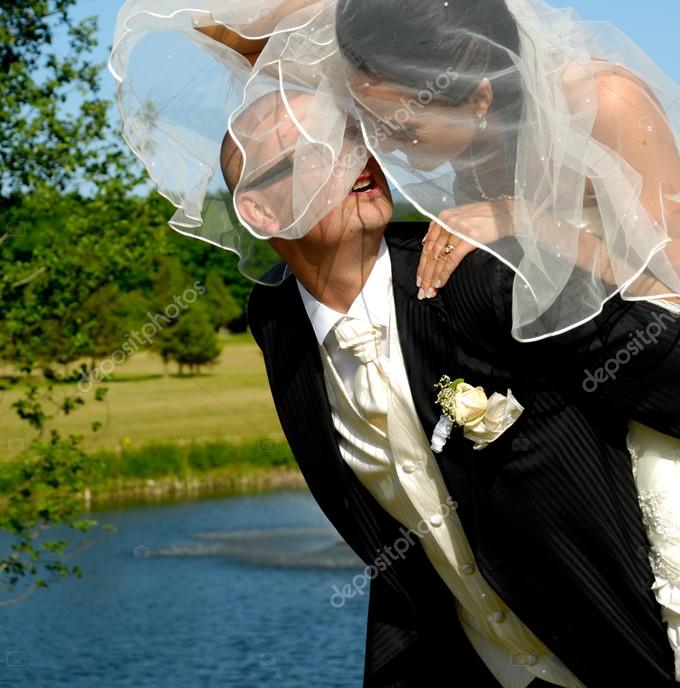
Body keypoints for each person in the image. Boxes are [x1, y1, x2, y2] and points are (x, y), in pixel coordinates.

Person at [219, 88, 680, 688]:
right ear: (260, 213)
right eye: (311, 153)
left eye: (352, 138)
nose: (355, 159)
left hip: (630, 652)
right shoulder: (276, 320)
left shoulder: (486, 273)